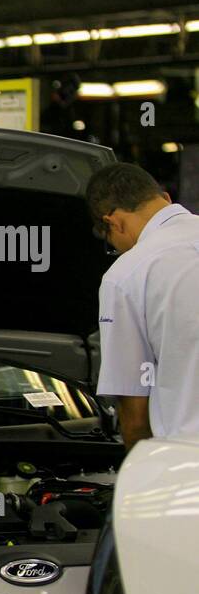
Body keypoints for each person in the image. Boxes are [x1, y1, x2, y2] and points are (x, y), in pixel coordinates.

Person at [88, 163, 199, 450]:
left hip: (186, 466)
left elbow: (134, 410)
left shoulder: (126, 275)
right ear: (165, 199)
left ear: (113, 222)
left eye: (111, 243)